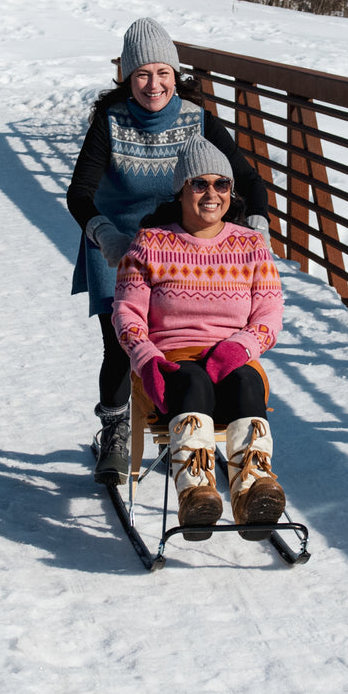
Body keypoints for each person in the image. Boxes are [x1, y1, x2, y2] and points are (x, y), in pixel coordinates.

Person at [67, 17, 270, 487]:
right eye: (141, 74)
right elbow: (80, 192)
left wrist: (253, 231)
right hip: (118, 243)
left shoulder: (196, 120)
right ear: (126, 77)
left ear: (175, 73)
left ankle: (201, 416)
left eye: (162, 73)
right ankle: (117, 428)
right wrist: (105, 237)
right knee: (122, 344)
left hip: (182, 245)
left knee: (190, 336)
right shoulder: (110, 122)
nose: (153, 84)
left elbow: (249, 181)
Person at [111, 134, 285, 540]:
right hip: (170, 363)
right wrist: (146, 358)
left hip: (232, 359)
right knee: (190, 378)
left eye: (221, 184)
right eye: (199, 184)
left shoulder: (250, 245)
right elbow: (126, 312)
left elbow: (270, 313)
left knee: (245, 378)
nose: (212, 194)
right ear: (180, 191)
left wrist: (239, 348)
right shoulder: (150, 244)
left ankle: (252, 488)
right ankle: (196, 492)